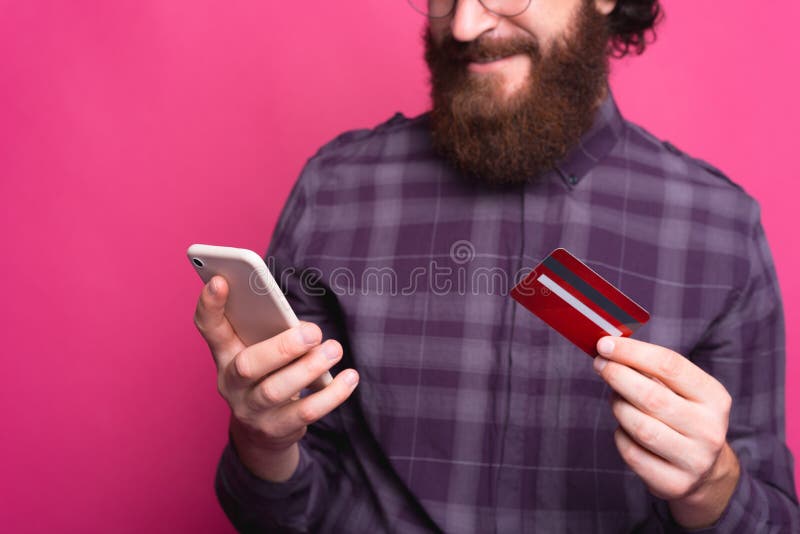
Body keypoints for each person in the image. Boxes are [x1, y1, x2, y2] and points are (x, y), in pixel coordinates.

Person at [194, 0, 800, 531]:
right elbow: (277, 512)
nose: (463, 24)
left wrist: (711, 487)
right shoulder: (338, 189)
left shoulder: (718, 227)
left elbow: (772, 518)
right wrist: (262, 441)